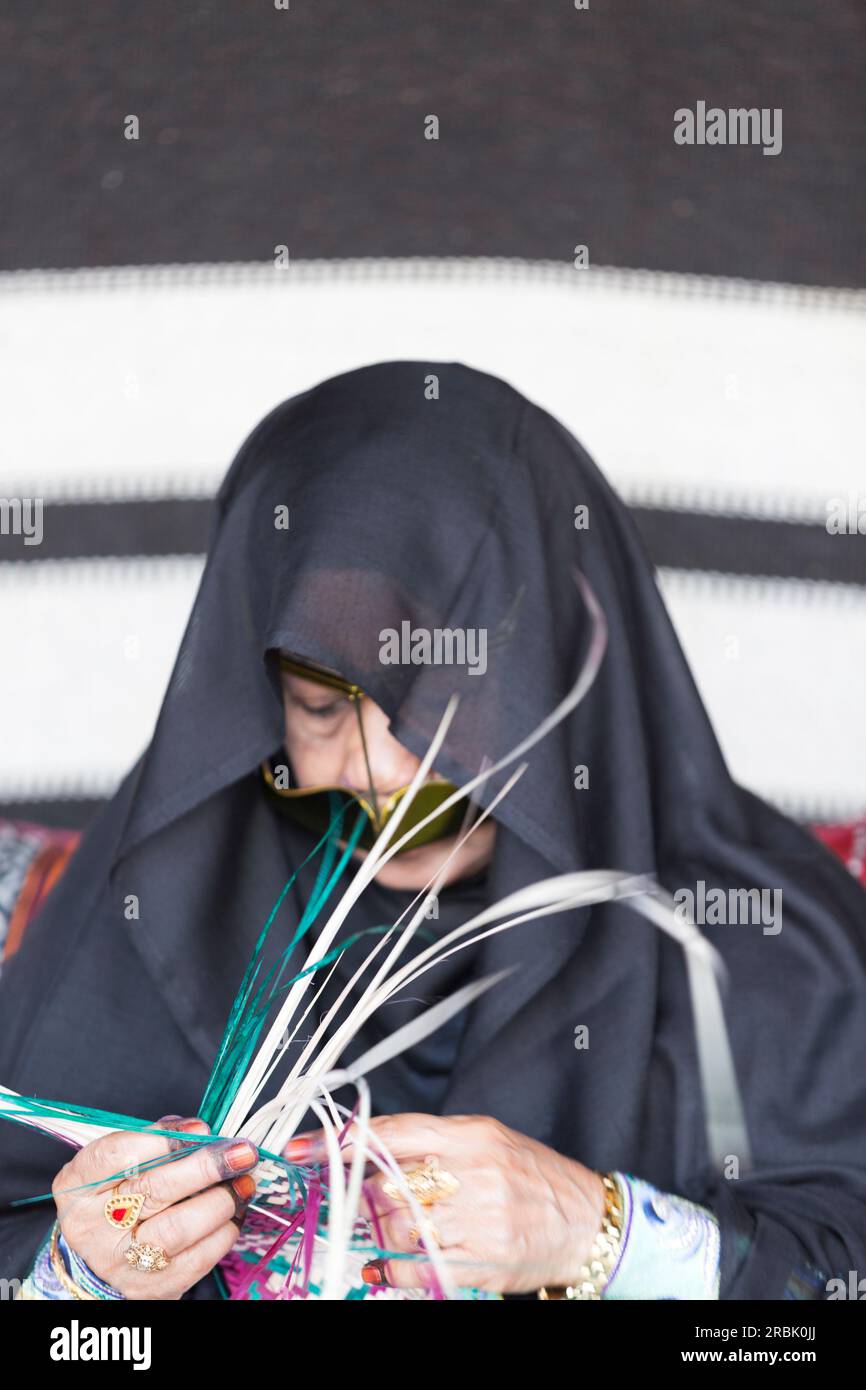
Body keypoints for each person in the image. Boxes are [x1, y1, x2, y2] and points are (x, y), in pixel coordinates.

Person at [1, 359, 865, 1301]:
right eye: (320, 707)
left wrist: (605, 1237)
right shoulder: (157, 902)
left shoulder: (758, 939)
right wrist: (77, 1281)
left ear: (559, 668)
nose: (380, 777)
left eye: (436, 709)